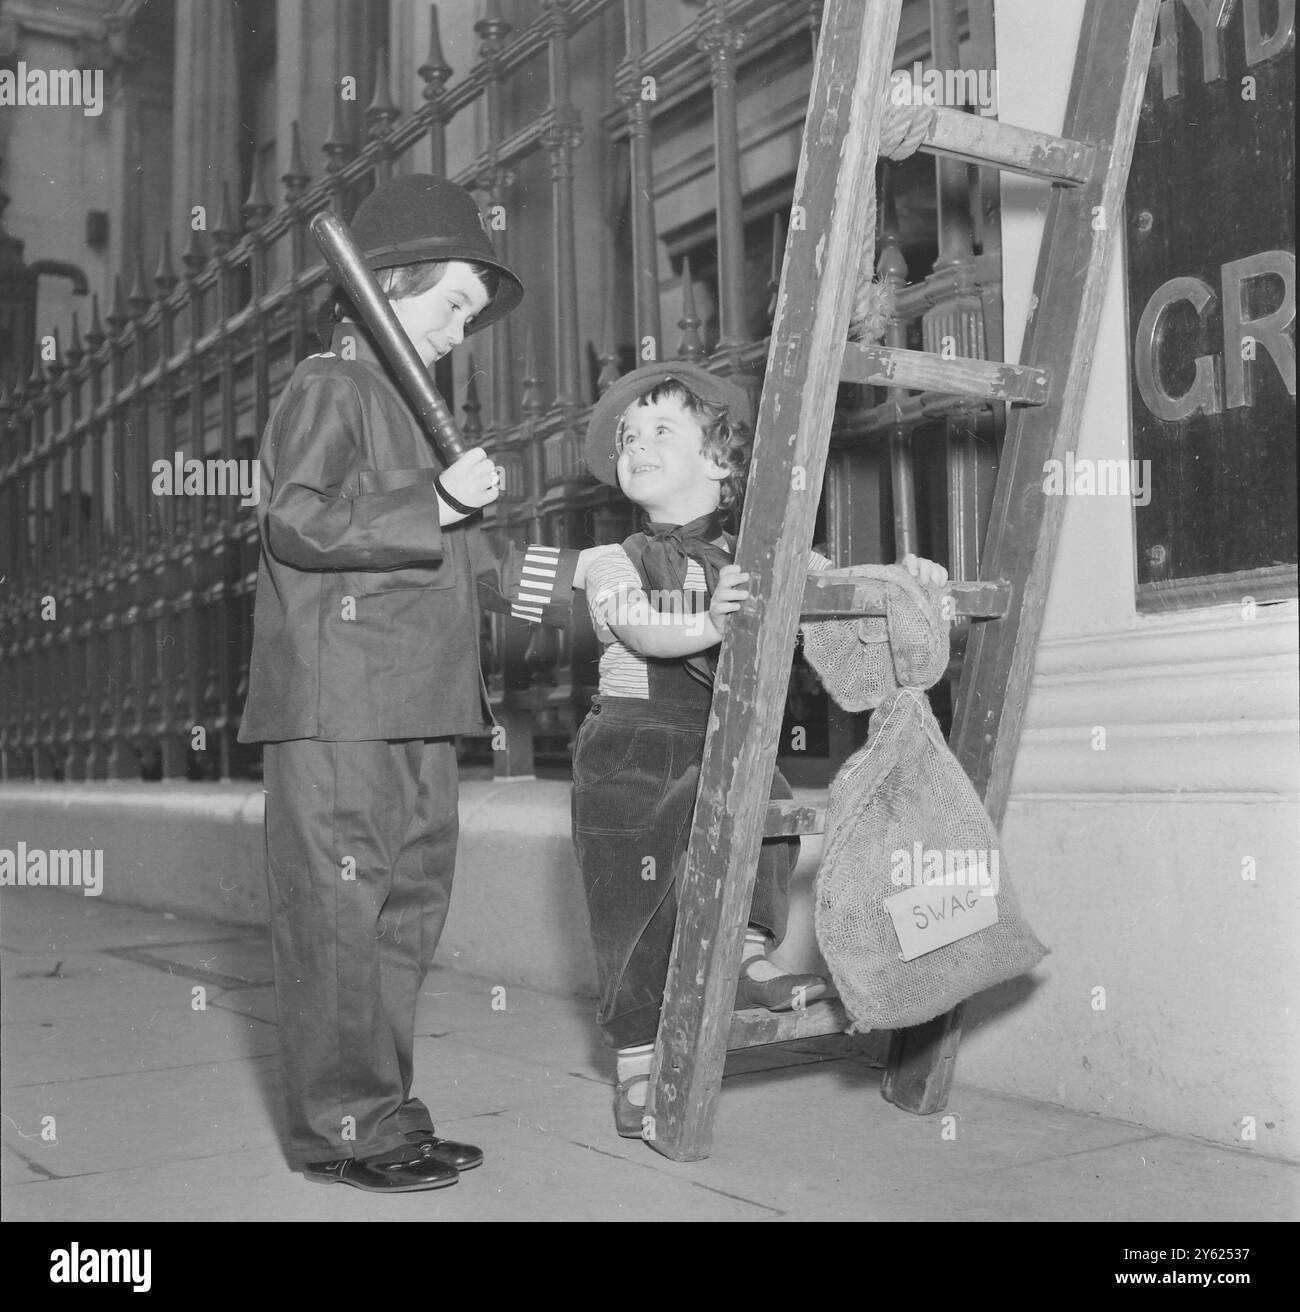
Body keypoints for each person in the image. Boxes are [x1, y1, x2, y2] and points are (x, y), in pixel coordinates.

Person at [238, 175, 577, 1193]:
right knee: (341, 920)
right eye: (452, 306)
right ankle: (341, 1127)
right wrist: (431, 497)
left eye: (470, 317)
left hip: (422, 705)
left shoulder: (419, 416)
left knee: (401, 911)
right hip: (343, 706)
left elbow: (468, 574)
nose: (461, 331)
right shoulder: (330, 387)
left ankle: (383, 1111)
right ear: (388, 285)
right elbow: (292, 518)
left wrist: (560, 586)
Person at [571, 362, 948, 1136]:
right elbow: (639, 626)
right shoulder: (609, 560)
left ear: (720, 462)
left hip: (728, 742)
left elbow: (848, 597)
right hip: (634, 748)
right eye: (626, 438)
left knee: (771, 815)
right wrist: (708, 622)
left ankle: (744, 955)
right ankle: (639, 1064)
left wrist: (912, 587)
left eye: (660, 430)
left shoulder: (761, 559)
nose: (635, 444)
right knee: (633, 909)